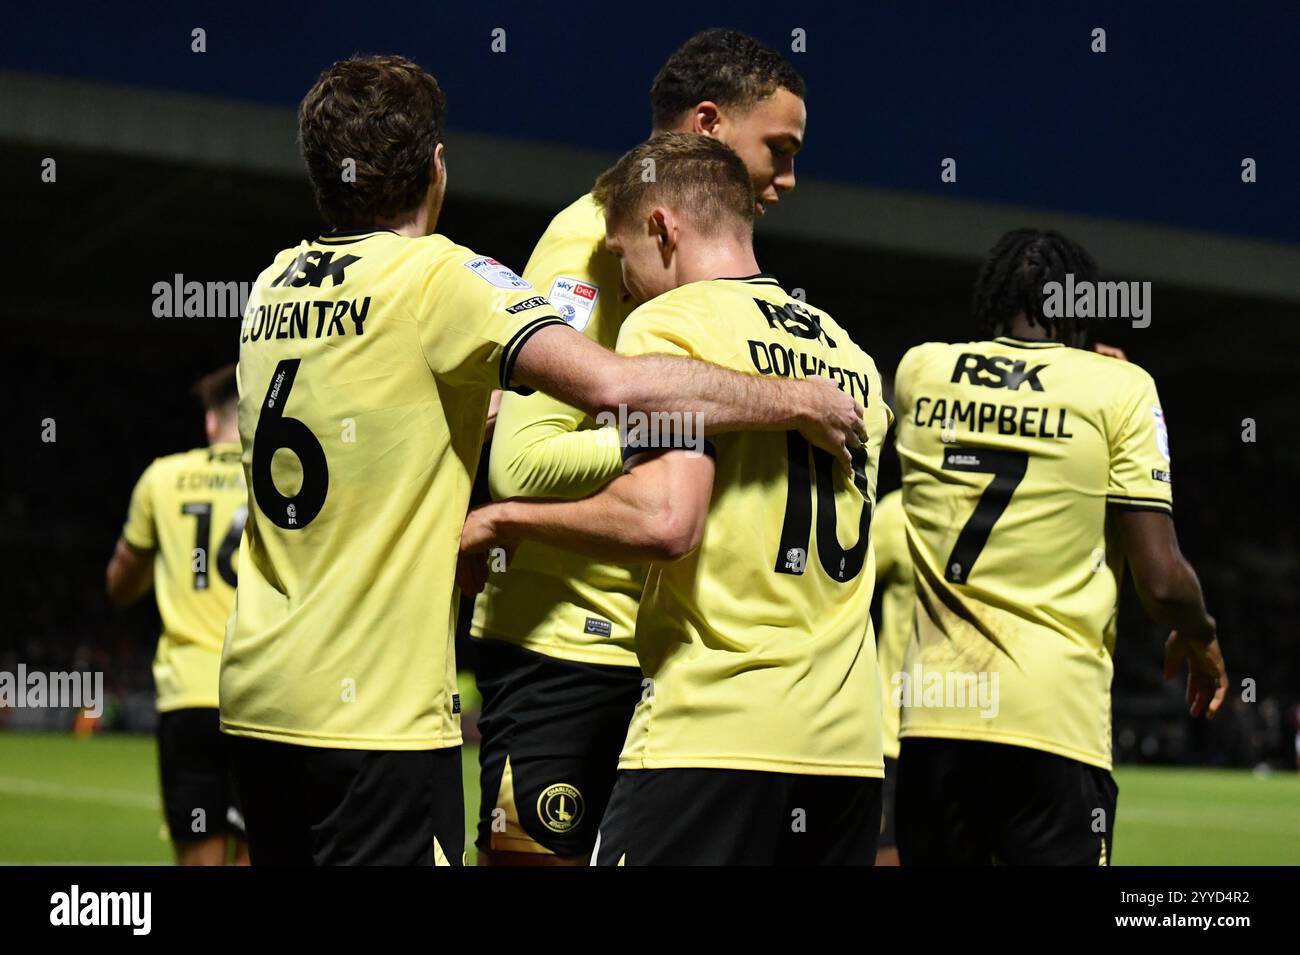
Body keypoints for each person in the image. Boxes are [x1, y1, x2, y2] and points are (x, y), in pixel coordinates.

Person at [219, 55, 865, 866]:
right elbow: (615, 386)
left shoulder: (272, 285)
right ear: (436, 167)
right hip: (374, 710)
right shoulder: (442, 277)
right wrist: (792, 399)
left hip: (258, 694)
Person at [460, 133, 892, 865]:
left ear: (662, 229)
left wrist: (509, 520)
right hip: (847, 752)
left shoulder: (671, 327)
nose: (623, 285)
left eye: (624, 256)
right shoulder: (851, 359)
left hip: (716, 729)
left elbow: (665, 519)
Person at [891, 228, 1228, 865]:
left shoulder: (920, 370)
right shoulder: (1120, 388)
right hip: (1051, 724)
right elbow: (1161, 581)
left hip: (935, 722)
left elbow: (1002, 391)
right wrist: (1201, 631)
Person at [106, 364, 249, 866]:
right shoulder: (283, 472)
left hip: (189, 697)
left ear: (211, 422)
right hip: (263, 695)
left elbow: (120, 584)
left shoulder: (163, 479)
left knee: (197, 857)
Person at [869, 487, 912, 866]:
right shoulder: (896, 513)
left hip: (975, 728)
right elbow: (844, 589)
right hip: (895, 732)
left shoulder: (899, 510)